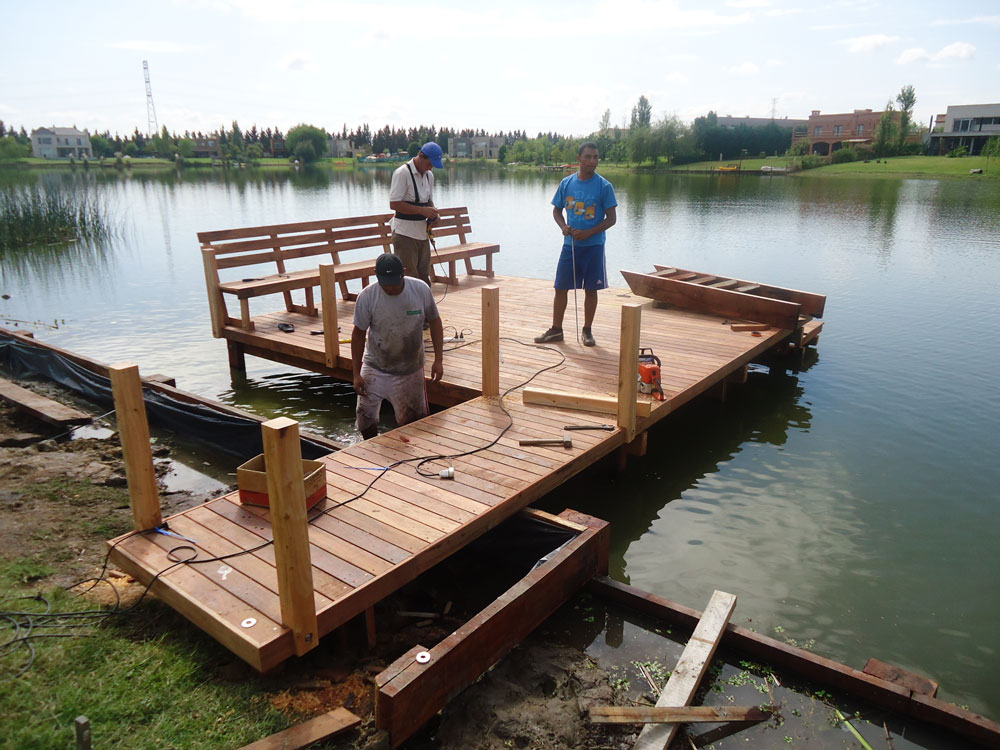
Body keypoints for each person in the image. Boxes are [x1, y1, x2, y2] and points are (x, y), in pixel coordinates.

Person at [351, 253, 444, 440]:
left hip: (410, 367)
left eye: (395, 282)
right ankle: (369, 444)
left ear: (404, 272)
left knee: (413, 422)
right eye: (386, 283)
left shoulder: (420, 289)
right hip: (375, 365)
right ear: (375, 274)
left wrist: (438, 360)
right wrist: (355, 373)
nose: (391, 288)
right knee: (364, 416)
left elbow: (435, 321)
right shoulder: (367, 296)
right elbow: (358, 334)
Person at [535, 141, 617, 347]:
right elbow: (556, 210)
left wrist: (589, 232)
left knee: (591, 289)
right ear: (578, 159)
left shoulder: (604, 186)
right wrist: (563, 226)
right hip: (570, 246)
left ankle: (587, 331)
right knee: (560, 287)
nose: (593, 161)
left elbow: (611, 219)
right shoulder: (566, 183)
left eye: (596, 157)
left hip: (594, 247)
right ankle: (556, 330)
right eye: (588, 156)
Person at [389, 141, 444, 288]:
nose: (431, 167)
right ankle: (408, 310)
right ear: (421, 156)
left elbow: (429, 201)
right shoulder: (402, 173)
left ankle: (424, 310)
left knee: (424, 278)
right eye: (430, 163)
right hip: (405, 234)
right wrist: (422, 211)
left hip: (422, 234)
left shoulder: (429, 176)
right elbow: (394, 204)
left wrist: (434, 216)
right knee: (409, 279)